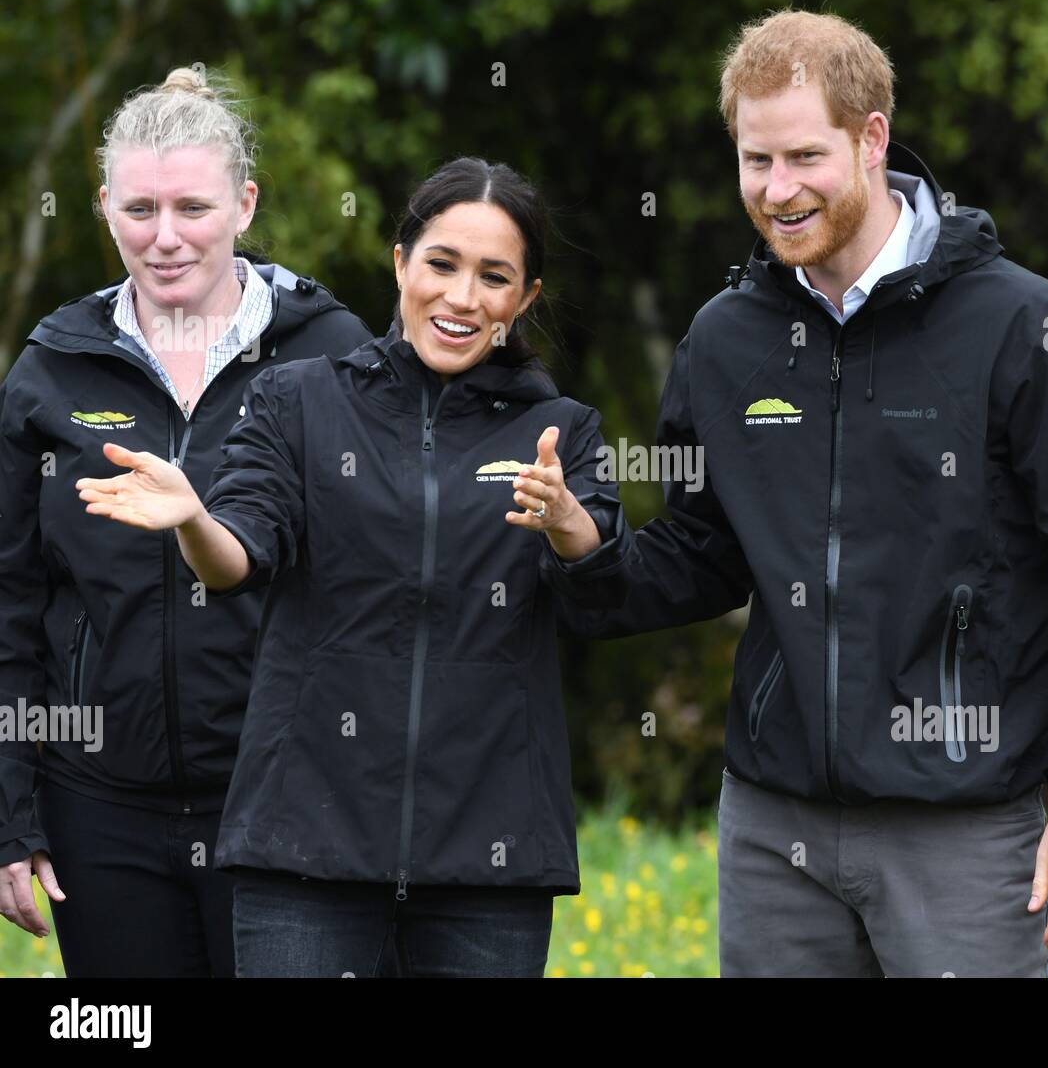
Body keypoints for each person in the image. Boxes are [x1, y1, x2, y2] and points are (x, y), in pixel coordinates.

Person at [539, 10, 1048, 977]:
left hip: (964, 824)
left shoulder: (1024, 325)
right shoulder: (725, 340)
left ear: (872, 139)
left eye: (803, 156)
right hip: (771, 828)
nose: (777, 190)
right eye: (756, 160)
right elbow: (708, 551)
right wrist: (589, 550)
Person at [74, 157, 628, 978]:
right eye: (441, 264)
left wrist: (571, 526)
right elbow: (238, 558)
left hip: (491, 870)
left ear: (524, 299)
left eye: (494, 277)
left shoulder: (563, 432)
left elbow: (603, 593)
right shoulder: (296, 400)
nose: (462, 297)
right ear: (400, 262)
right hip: (304, 859)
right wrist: (194, 517)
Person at [0, 67, 371, 977]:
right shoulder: (53, 368)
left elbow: (382, 588)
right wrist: (9, 815)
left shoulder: (334, 354)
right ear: (102, 207)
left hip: (290, 803)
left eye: (194, 208)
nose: (165, 239)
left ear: (246, 203)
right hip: (98, 808)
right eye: (139, 210)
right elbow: (9, 602)